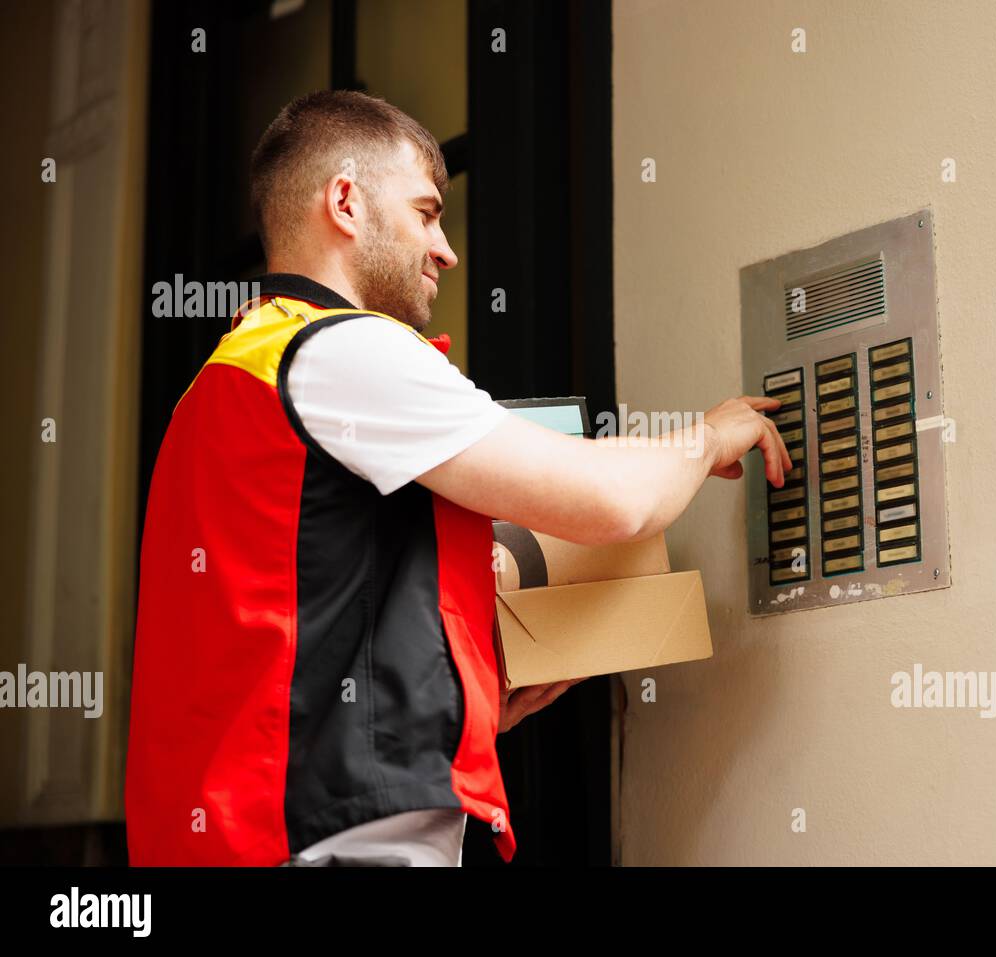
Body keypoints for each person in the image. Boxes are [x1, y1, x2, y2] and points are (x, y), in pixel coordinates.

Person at [124, 90, 790, 867]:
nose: (446, 248)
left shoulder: (227, 380)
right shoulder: (342, 353)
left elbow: (293, 634)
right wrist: (708, 435)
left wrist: (460, 703)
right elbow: (612, 502)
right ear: (345, 201)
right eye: (426, 212)